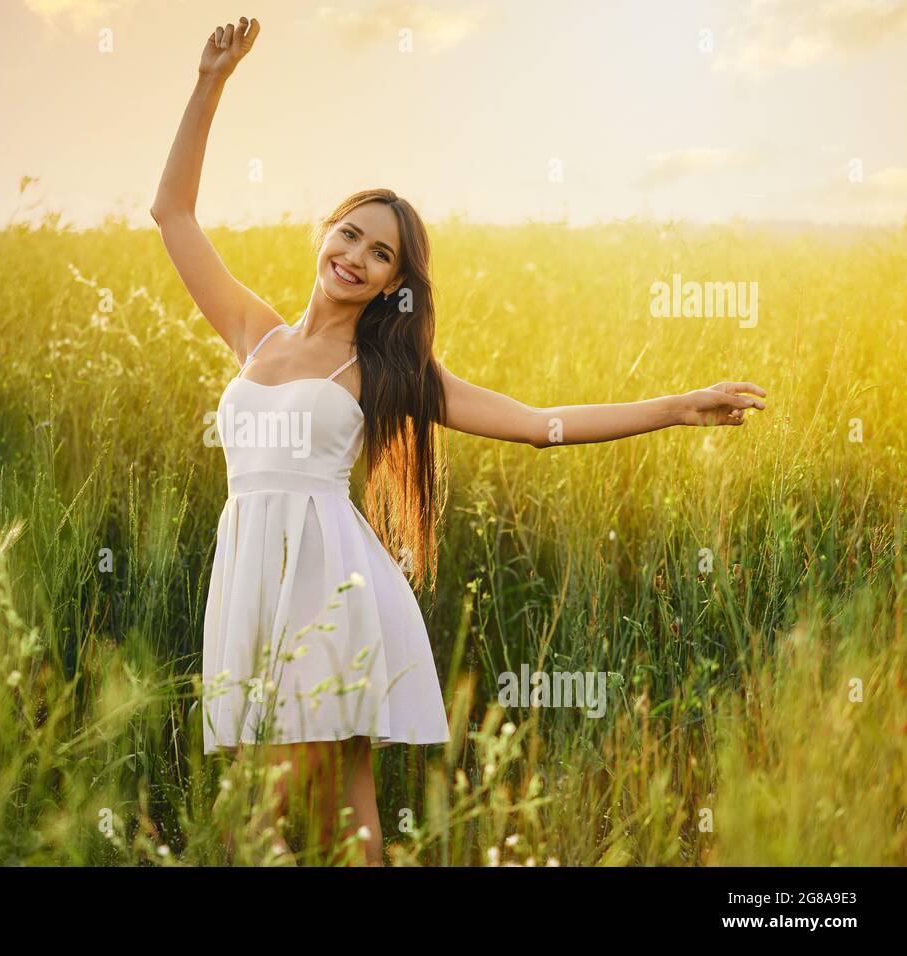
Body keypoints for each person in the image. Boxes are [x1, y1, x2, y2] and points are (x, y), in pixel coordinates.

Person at [150, 16, 768, 866]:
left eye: (382, 255)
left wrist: (676, 405)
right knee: (337, 801)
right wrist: (208, 83)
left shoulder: (385, 370)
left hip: (328, 585)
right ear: (322, 235)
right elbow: (172, 213)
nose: (357, 257)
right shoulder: (253, 334)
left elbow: (537, 426)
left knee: (276, 802)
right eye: (350, 235)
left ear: (395, 285)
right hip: (250, 573)